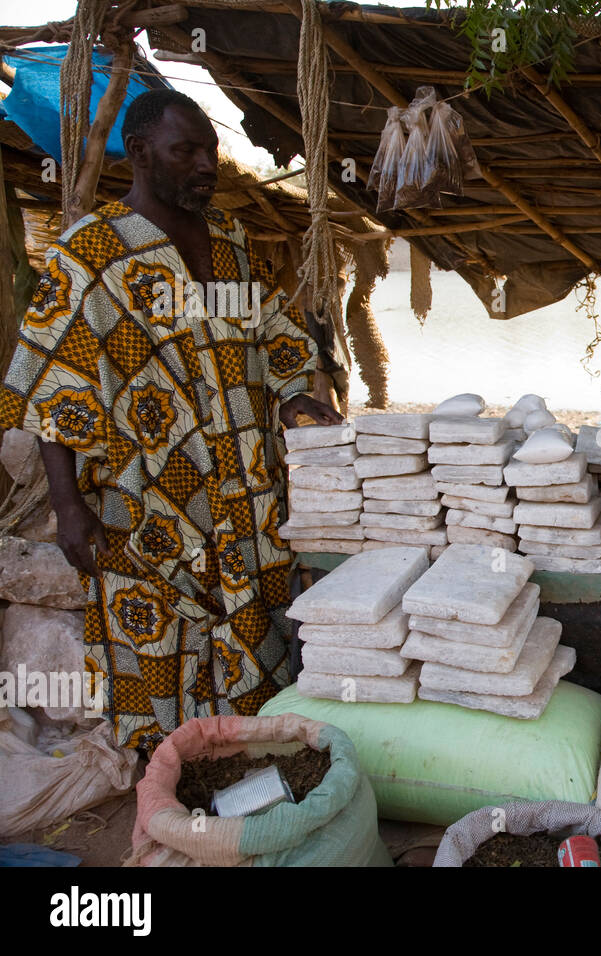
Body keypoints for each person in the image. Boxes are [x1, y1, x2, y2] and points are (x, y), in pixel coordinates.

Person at [0, 89, 343, 752]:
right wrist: (68, 506)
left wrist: (295, 394)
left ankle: (252, 760)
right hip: (145, 499)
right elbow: (54, 391)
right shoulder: (90, 254)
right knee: (158, 640)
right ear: (141, 153)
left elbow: (276, 337)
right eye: (185, 149)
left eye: (209, 150)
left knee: (257, 631)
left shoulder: (234, 246)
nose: (205, 164)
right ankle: (169, 772)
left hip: (246, 496)